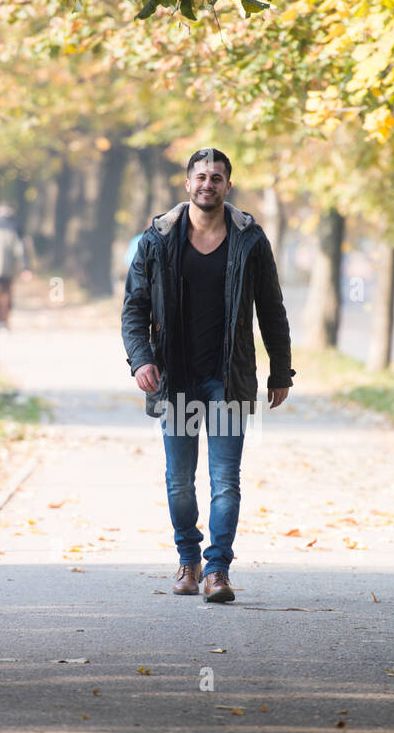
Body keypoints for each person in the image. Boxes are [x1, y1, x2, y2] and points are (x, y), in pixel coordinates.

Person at [120, 148, 295, 603]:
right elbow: (134, 308)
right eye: (201, 176)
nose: (208, 184)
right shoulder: (158, 239)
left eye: (217, 177)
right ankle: (187, 559)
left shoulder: (250, 240)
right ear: (187, 183)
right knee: (180, 482)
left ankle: (218, 570)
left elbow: (272, 309)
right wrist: (141, 360)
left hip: (229, 380)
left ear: (228, 186)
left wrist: (280, 370)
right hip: (175, 378)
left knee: (225, 480)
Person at [0, 204, 31, 328]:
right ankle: (4, 319)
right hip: (8, 267)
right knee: (6, 292)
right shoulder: (14, 228)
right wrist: (25, 267)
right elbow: (20, 250)